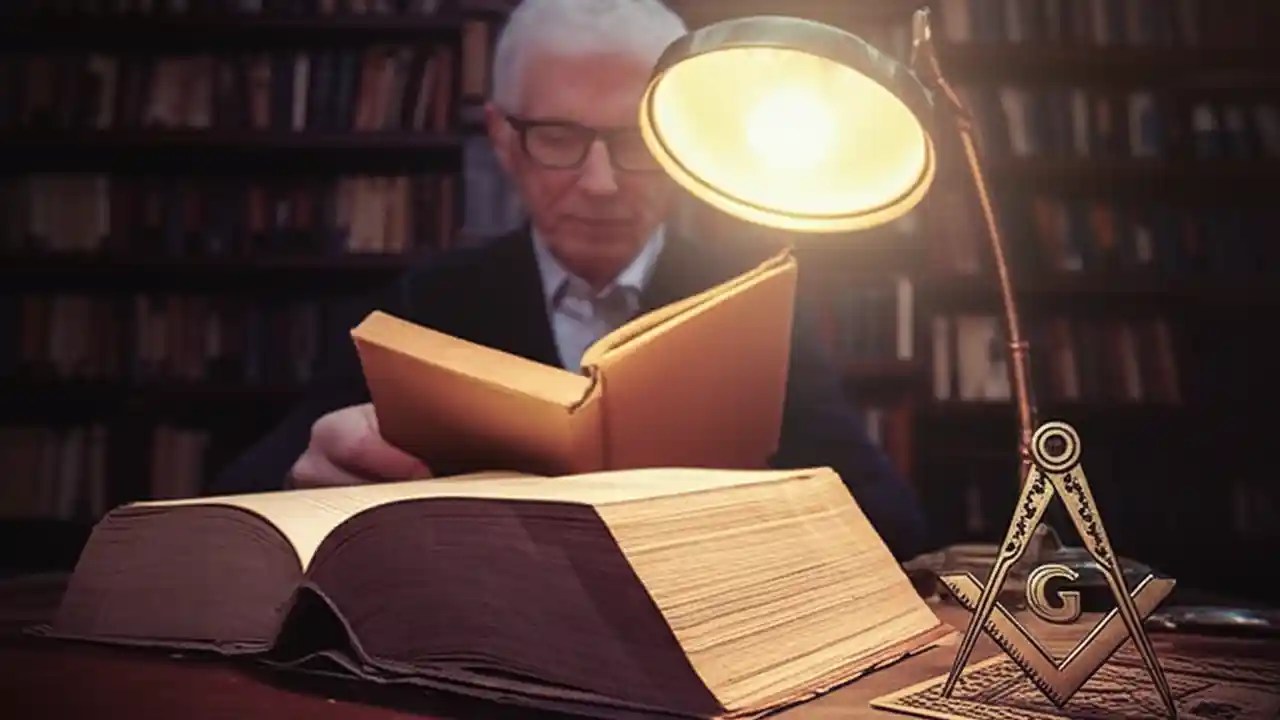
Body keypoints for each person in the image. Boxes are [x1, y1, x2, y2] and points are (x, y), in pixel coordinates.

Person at [211, 0, 931, 561]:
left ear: (683, 137)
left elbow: (893, 521)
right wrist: (304, 480)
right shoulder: (426, 302)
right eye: (557, 137)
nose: (601, 183)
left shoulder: (751, 298)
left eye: (637, 141)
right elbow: (245, 494)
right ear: (500, 139)